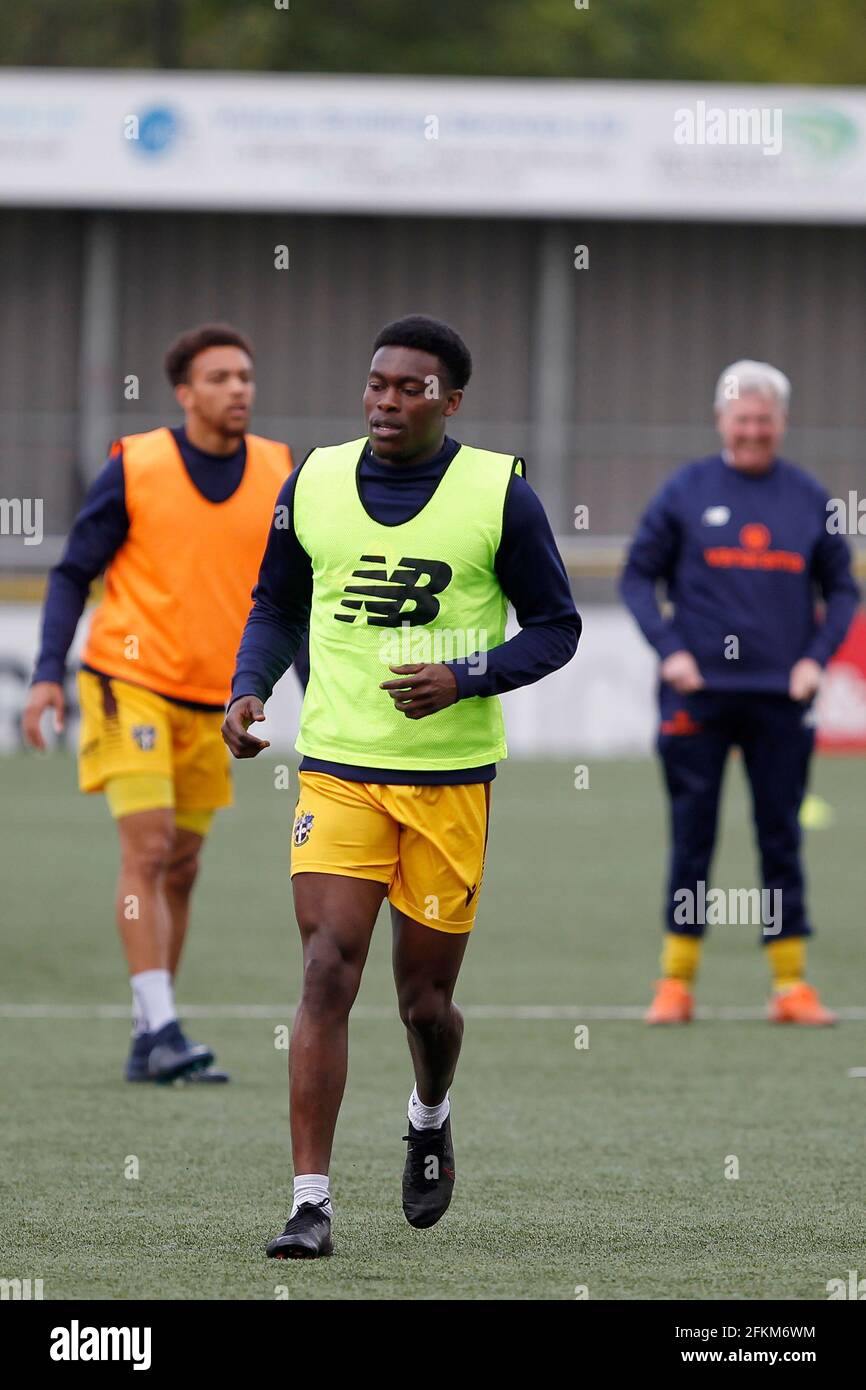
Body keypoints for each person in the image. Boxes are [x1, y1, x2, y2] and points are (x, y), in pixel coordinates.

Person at [223, 314, 581, 1257]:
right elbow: (277, 603)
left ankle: (429, 1114)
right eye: (376, 383)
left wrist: (463, 679)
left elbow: (557, 628)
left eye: (408, 388)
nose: (385, 401)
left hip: (449, 782)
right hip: (339, 773)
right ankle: (310, 1204)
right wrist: (249, 688)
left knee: (423, 1003)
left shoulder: (499, 494)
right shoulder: (315, 479)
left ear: (450, 400)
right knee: (324, 969)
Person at [23, 323, 304, 1083]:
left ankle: (153, 1039)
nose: (237, 388)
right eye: (219, 378)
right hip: (126, 684)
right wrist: (48, 671)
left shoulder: (281, 471)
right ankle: (164, 1024)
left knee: (182, 866)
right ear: (185, 393)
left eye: (244, 376)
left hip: (213, 703)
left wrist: (316, 690)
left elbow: (292, 598)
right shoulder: (137, 464)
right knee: (145, 851)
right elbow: (70, 571)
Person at [620, 360, 859, 1026]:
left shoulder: (809, 497)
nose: (753, 430)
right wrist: (670, 653)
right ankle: (677, 981)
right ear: (722, 419)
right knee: (691, 837)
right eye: (742, 418)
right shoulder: (686, 490)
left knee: (779, 836)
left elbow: (843, 588)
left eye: (764, 419)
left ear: (781, 423)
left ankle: (790, 986)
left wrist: (815, 660)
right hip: (697, 698)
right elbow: (637, 577)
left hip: (781, 699)